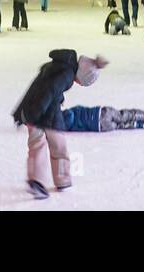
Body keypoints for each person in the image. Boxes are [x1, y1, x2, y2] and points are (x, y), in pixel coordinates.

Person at [12, 51, 108, 199]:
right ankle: (61, 180)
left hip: (33, 109)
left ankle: (36, 180)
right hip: (44, 113)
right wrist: (36, 113)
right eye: (81, 82)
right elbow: (49, 91)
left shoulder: (59, 67)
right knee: (59, 146)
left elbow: (44, 87)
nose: (78, 84)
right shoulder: (66, 75)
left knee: (37, 146)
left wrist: (25, 112)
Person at [61, 105, 144, 132]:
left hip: (100, 127)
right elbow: (73, 113)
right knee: (123, 115)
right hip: (101, 113)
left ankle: (137, 125)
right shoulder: (67, 114)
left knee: (119, 126)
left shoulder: (66, 128)